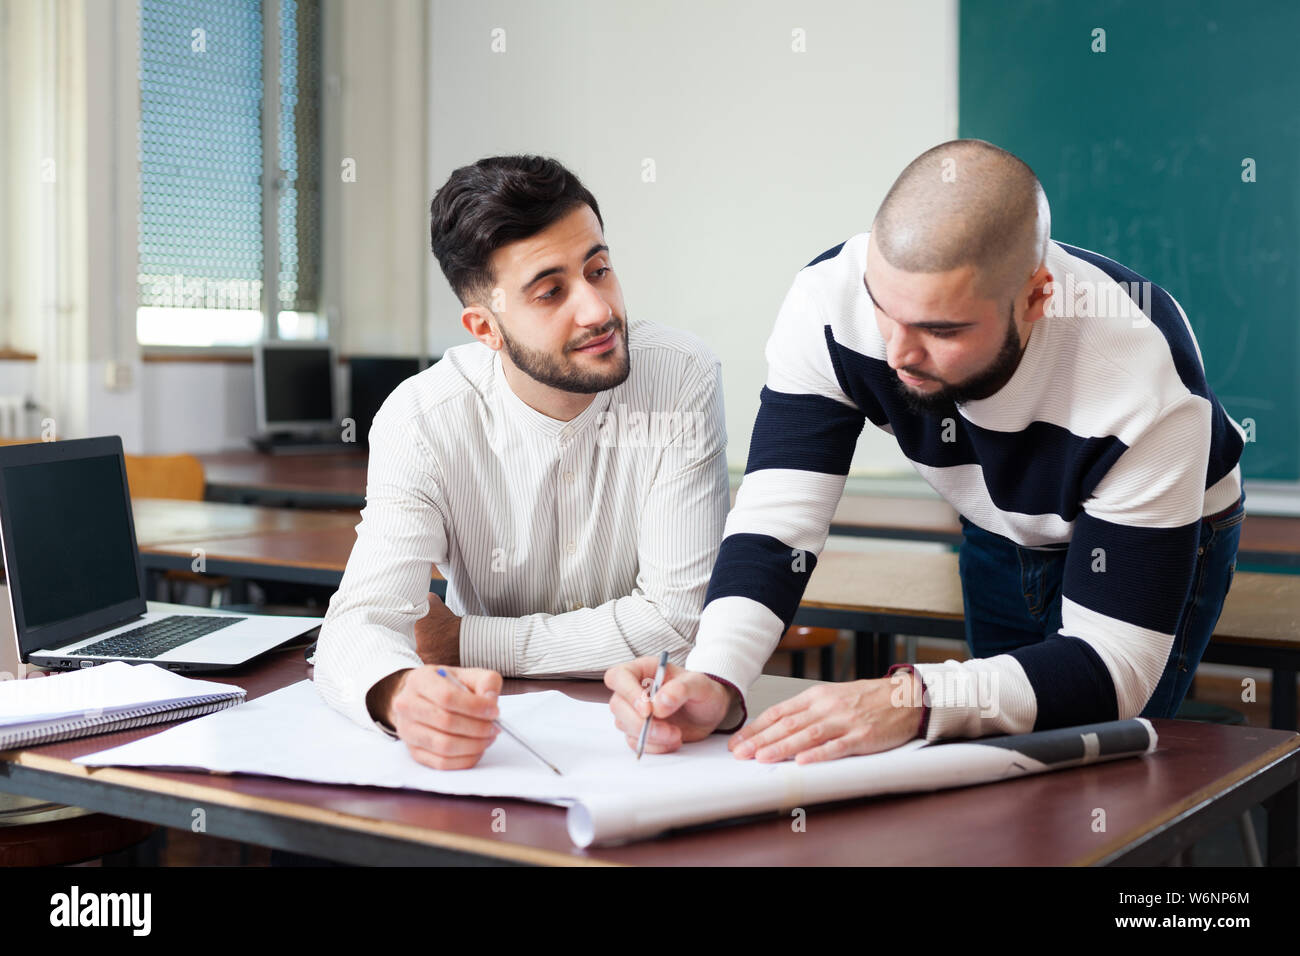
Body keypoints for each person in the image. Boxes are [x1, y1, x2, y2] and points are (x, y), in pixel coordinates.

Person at [605, 139, 1245, 763]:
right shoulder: (829, 300)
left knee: (1102, 763)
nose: (898, 354)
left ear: (1036, 297)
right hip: (996, 519)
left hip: (1162, 523)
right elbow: (777, 523)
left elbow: (1116, 668)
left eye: (942, 330)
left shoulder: (1145, 382)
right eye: (886, 310)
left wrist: (913, 698)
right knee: (1002, 762)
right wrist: (717, 680)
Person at [314, 155, 730, 769]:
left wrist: (466, 639)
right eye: (550, 292)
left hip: (655, 734)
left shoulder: (681, 376)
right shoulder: (422, 419)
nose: (597, 310)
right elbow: (359, 625)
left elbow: (677, 623)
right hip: (499, 737)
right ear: (486, 327)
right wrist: (400, 697)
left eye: (600, 269)